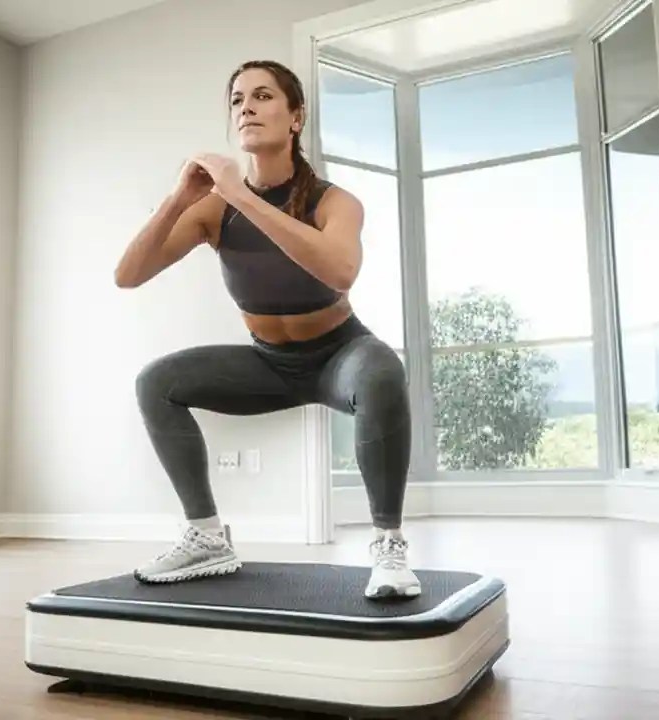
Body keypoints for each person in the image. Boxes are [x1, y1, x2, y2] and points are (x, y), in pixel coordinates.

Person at [112, 59, 420, 600]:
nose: (246, 107)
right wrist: (180, 199)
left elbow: (340, 271)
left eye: (262, 96)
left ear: (295, 116)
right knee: (155, 381)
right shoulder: (215, 210)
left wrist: (241, 196)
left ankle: (389, 544)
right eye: (236, 100)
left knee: (382, 373)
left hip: (339, 354)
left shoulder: (334, 201)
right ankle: (206, 536)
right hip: (268, 362)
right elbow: (128, 275)